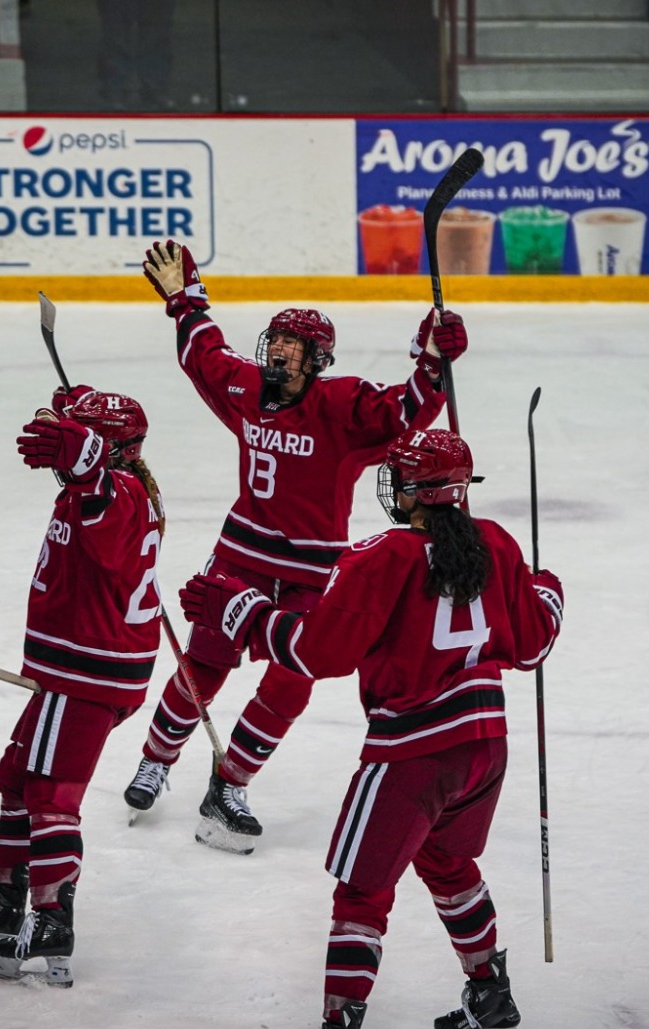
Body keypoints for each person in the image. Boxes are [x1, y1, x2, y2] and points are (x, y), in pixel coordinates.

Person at [176, 427, 563, 1029]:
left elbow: (317, 652)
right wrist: (548, 593)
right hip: (486, 748)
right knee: (447, 864)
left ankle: (341, 1021)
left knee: (362, 893)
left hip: (412, 754)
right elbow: (533, 645)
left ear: (411, 493)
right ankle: (489, 991)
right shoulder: (498, 545)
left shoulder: (382, 554)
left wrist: (243, 612)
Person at [121, 240, 467, 854]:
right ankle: (157, 758)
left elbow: (406, 411)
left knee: (292, 679)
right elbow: (202, 354)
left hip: (311, 569)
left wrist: (432, 363)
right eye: (274, 338)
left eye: (292, 342)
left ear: (317, 358)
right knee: (205, 662)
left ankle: (230, 783)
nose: (277, 348)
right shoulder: (244, 387)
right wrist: (183, 299)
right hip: (240, 558)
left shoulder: (344, 406)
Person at [0, 387, 164, 986]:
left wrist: (82, 452)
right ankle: (7, 897)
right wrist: (80, 424)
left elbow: (99, 487)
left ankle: (52, 917)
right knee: (16, 776)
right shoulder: (110, 484)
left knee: (50, 793)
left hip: (88, 670)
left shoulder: (116, 492)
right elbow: (90, 475)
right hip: (78, 668)